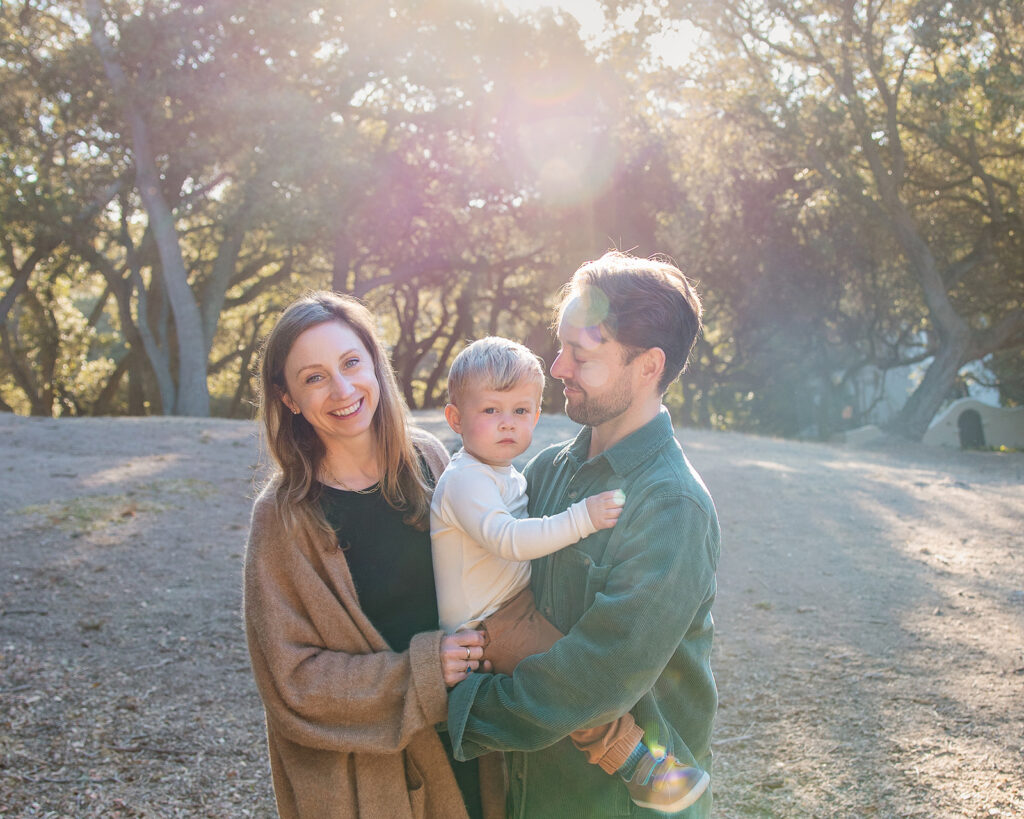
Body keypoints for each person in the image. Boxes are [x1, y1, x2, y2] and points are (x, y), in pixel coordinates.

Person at [446, 251, 720, 817]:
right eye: (561, 346)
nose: (558, 368)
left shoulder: (672, 505)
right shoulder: (545, 470)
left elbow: (595, 677)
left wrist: (452, 706)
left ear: (648, 366)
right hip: (531, 796)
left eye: (582, 355)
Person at [242, 291, 504, 819]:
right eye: (314, 377)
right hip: (371, 779)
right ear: (289, 398)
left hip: (468, 739)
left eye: (350, 363)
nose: (342, 390)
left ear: (374, 363)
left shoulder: (430, 459)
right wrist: (425, 670)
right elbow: (292, 683)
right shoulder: (283, 516)